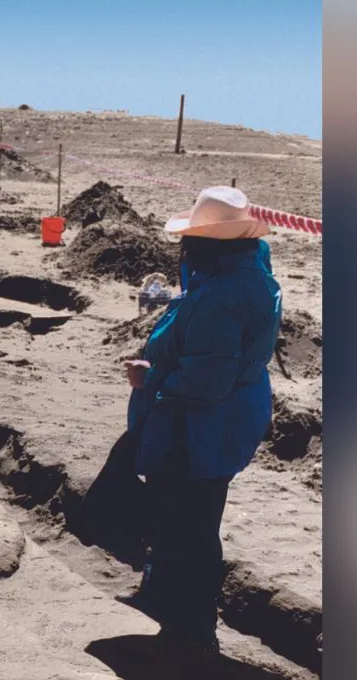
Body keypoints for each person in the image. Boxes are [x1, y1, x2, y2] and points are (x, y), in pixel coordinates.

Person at [117, 186, 282, 653]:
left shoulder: (222, 295)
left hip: (202, 427)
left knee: (189, 523)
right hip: (220, 423)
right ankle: (179, 615)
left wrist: (150, 379)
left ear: (207, 244)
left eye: (190, 238)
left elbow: (208, 379)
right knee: (192, 518)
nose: (183, 247)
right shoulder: (248, 277)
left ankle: (188, 629)